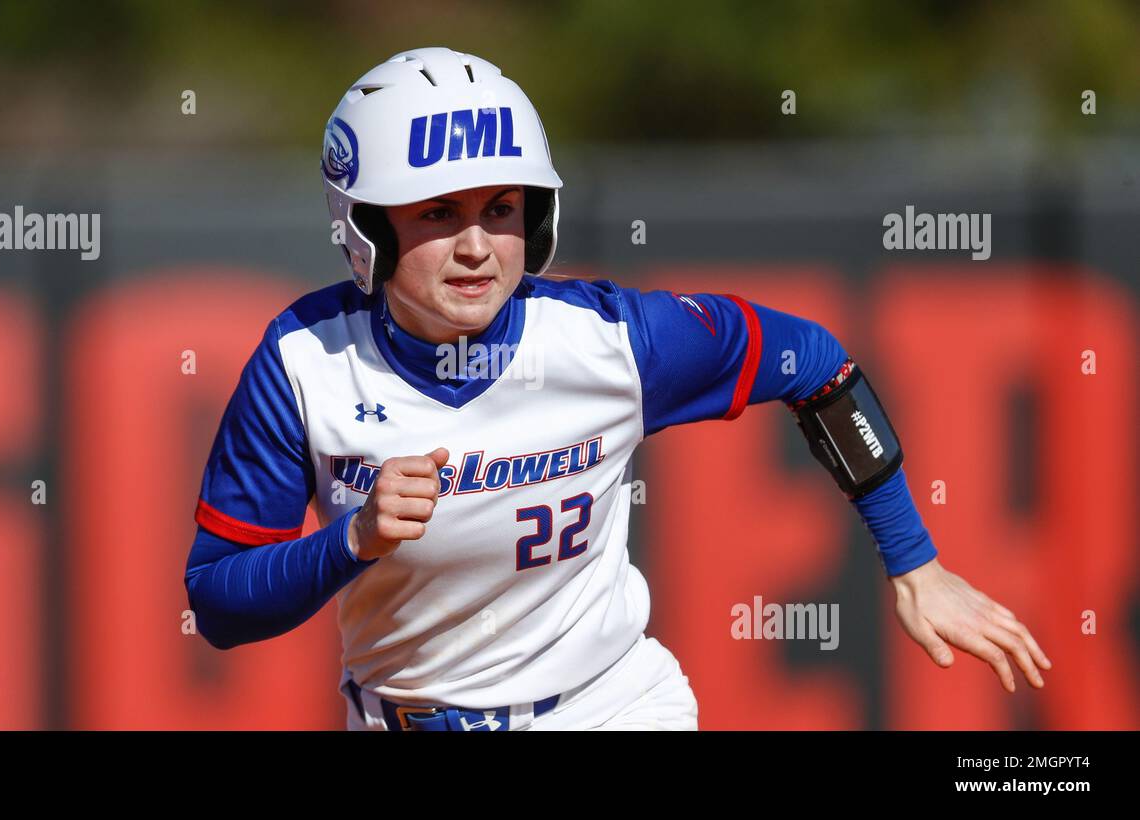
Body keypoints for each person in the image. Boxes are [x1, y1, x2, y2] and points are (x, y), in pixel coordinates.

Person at [184, 46, 1051, 731]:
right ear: (363, 229)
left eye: (503, 208)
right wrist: (353, 539)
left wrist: (916, 563)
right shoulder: (304, 362)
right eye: (438, 213)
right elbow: (218, 603)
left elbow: (815, 362)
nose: (479, 246)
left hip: (608, 710)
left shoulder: (611, 342)